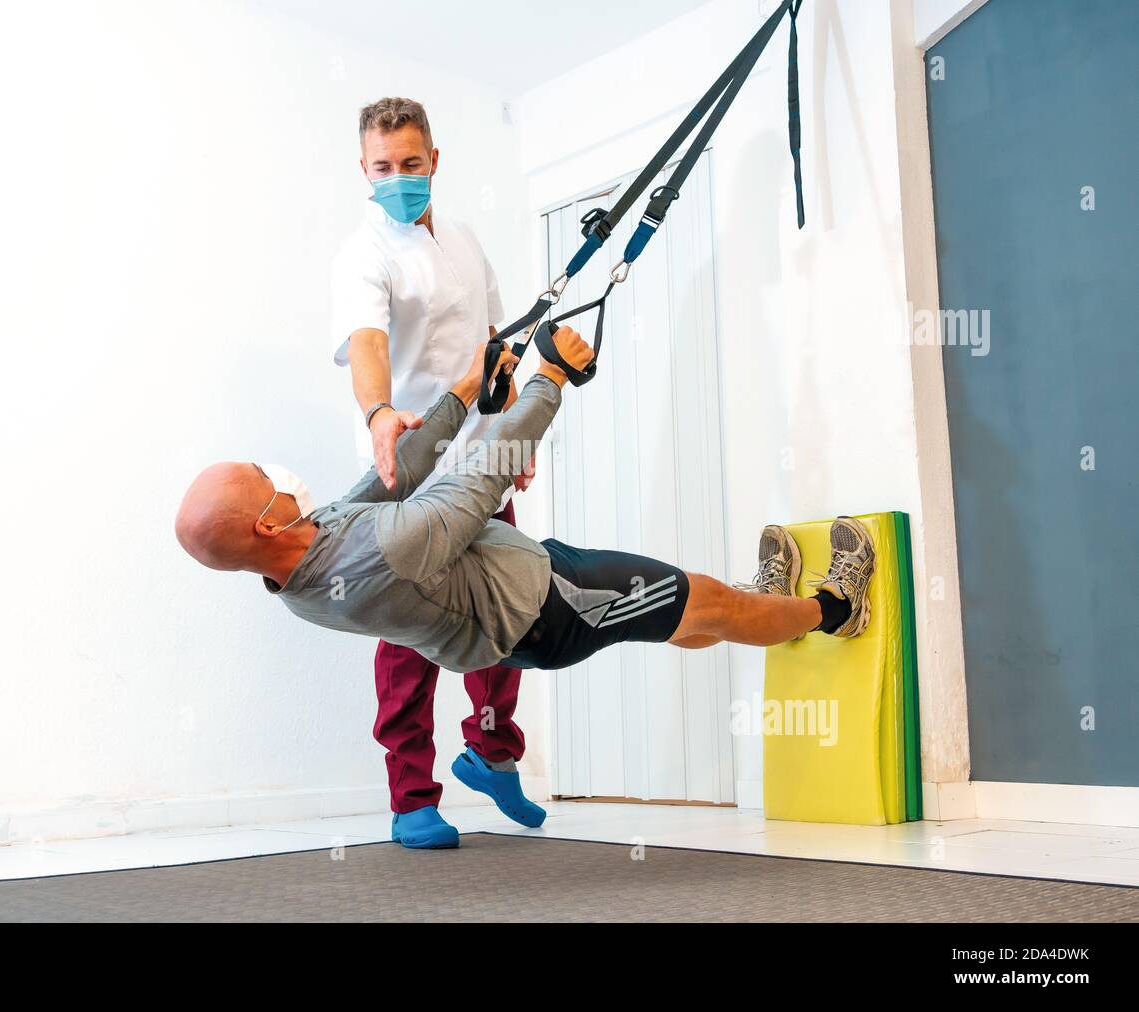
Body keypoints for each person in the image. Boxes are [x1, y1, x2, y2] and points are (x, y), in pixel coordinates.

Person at [176, 329, 878, 798]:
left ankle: (766, 609)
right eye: (255, 472)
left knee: (687, 611)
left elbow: (395, 475)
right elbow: (481, 479)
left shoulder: (299, 556)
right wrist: (551, 378)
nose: (271, 467)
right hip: (550, 607)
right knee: (702, 600)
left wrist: (466, 385)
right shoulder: (372, 555)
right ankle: (833, 610)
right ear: (265, 519)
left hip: (528, 587)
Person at [330, 96, 536, 848]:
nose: (398, 179)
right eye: (383, 168)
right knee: (412, 634)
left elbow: (496, 344)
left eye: (410, 165)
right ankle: (412, 796)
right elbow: (365, 341)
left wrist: (516, 437)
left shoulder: (464, 238)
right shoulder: (365, 253)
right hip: (408, 467)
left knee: (510, 605)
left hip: (480, 461)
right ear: (364, 169)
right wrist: (380, 411)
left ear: (434, 161)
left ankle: (491, 748)